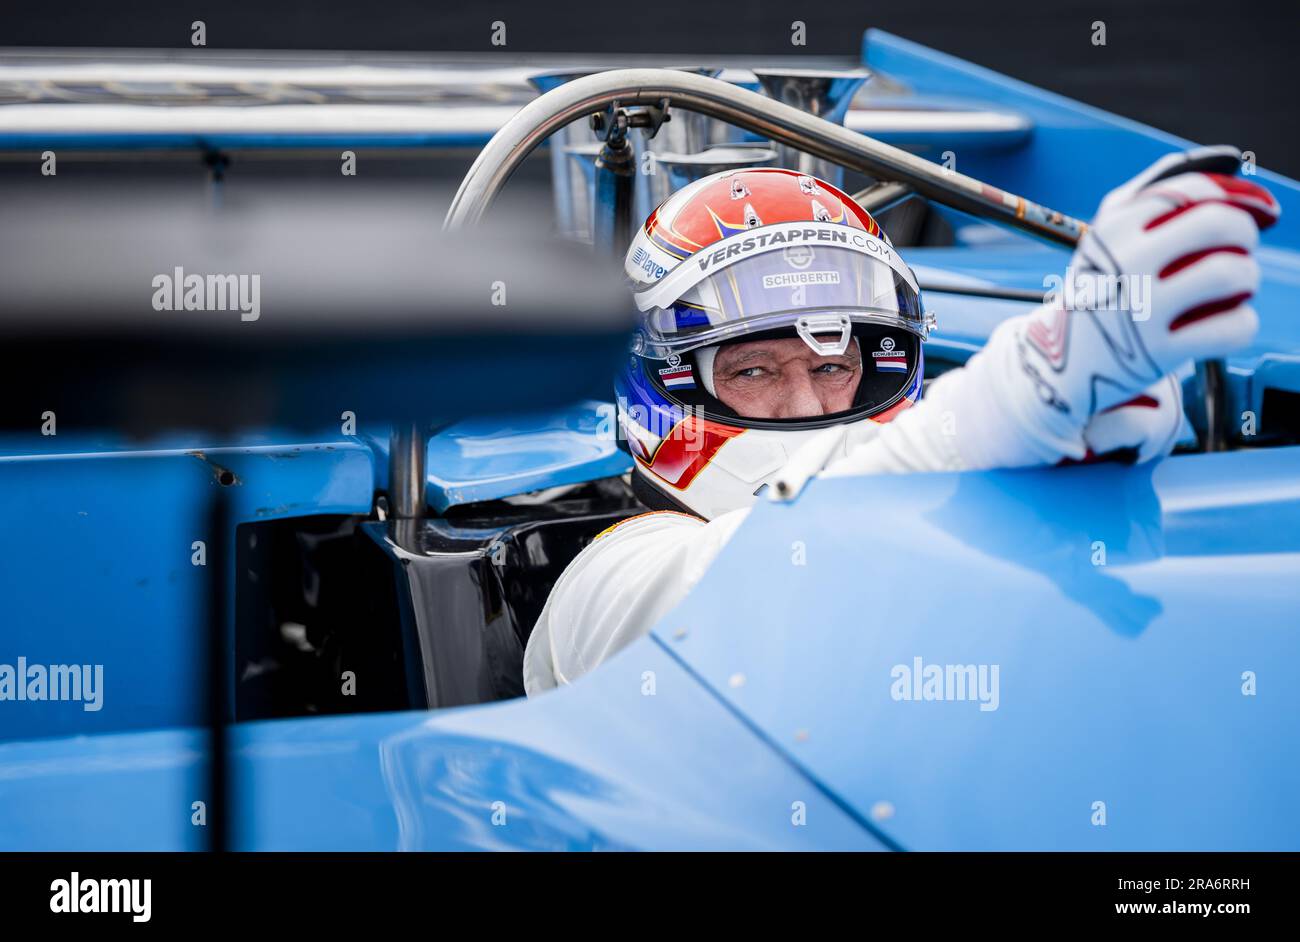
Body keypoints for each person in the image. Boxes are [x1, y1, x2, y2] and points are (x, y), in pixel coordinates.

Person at [522, 149, 1279, 695]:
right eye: (755, 371)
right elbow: (748, 590)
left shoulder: (925, 499)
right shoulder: (608, 582)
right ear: (663, 381)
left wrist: (1101, 456)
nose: (812, 407)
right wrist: (1014, 400)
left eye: (833, 367)